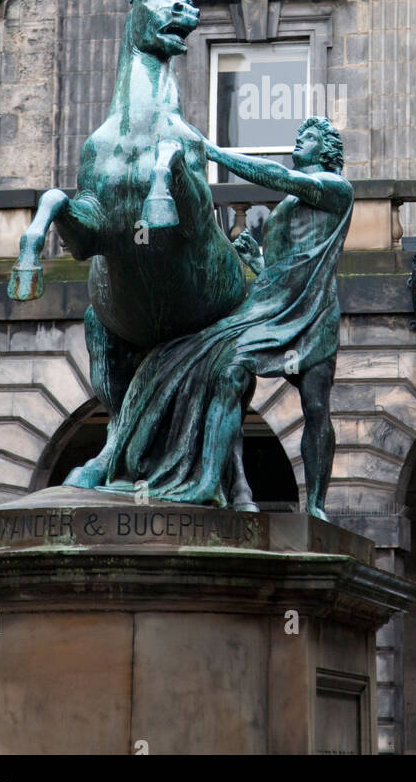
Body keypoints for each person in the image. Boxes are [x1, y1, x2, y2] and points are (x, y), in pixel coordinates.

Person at [105, 117, 353, 520]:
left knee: (316, 406)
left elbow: (278, 177)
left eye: (307, 137)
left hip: (313, 313)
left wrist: (214, 151)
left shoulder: (335, 189)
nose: (298, 140)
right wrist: (257, 262)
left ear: (325, 149)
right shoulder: (287, 210)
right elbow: (281, 267)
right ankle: (209, 481)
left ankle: (317, 505)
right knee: (228, 370)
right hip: (270, 309)